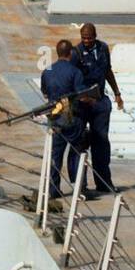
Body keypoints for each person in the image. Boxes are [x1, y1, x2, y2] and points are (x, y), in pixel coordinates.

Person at [72, 22, 123, 195]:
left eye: (89, 38)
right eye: (83, 38)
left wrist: (117, 92)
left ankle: (103, 182)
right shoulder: (76, 53)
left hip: (99, 102)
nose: (86, 41)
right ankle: (81, 185)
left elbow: (107, 70)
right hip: (82, 104)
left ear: (95, 36)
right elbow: (72, 79)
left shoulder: (102, 49)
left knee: (101, 142)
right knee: (80, 143)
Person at [39, 39, 90, 199]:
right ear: (70, 53)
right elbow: (81, 95)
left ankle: (53, 190)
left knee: (55, 155)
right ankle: (79, 188)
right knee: (76, 153)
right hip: (73, 119)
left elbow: (46, 93)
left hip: (55, 119)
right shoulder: (75, 72)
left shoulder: (47, 71)